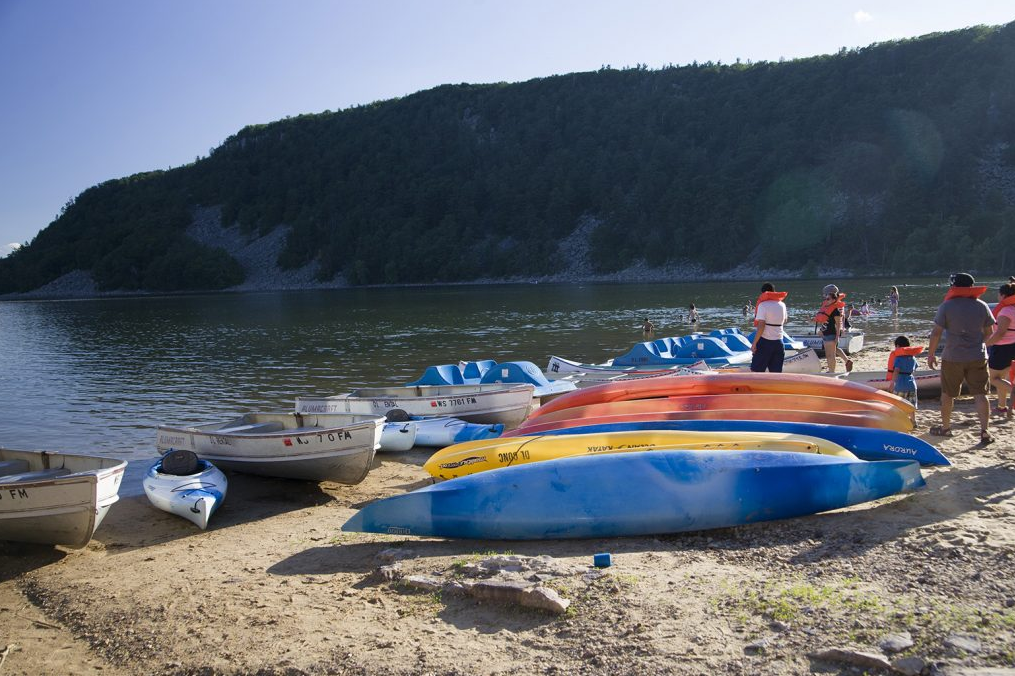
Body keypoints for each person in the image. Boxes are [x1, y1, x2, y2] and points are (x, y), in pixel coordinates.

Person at [927, 272, 996, 443]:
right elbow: (990, 333)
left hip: (952, 356)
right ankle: (985, 431)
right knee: (981, 394)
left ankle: (946, 428)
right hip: (977, 356)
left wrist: (931, 354)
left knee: (948, 394)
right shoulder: (982, 306)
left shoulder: (947, 306)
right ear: (972, 287)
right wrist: (980, 346)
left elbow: (936, 333)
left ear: (954, 287)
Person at [985, 279, 1015, 418]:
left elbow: (1000, 332)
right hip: (1012, 346)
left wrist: (987, 343)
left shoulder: (1005, 311)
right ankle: (1001, 407)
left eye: (998, 294)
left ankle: (1013, 391)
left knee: (994, 379)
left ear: (1003, 296)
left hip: (1002, 348)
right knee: (1002, 378)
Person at [750, 282, 788, 373]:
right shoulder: (782, 305)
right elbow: (785, 320)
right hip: (779, 342)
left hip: (765, 342)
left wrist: (754, 343)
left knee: (756, 371)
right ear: (774, 292)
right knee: (776, 373)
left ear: (763, 293)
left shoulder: (763, 305)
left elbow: (761, 325)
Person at [814, 284, 852, 373]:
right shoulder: (836, 304)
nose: (824, 296)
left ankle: (832, 371)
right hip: (834, 331)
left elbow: (830, 321)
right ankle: (846, 360)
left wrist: (823, 330)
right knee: (834, 348)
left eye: (826, 294)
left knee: (831, 353)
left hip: (831, 331)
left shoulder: (833, 306)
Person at [888, 336, 923, 427]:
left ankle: (898, 421)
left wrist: (892, 382)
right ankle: (913, 422)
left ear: (898, 346)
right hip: (911, 384)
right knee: (910, 405)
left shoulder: (898, 358)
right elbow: (914, 369)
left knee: (898, 404)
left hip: (900, 384)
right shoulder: (913, 358)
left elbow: (896, 370)